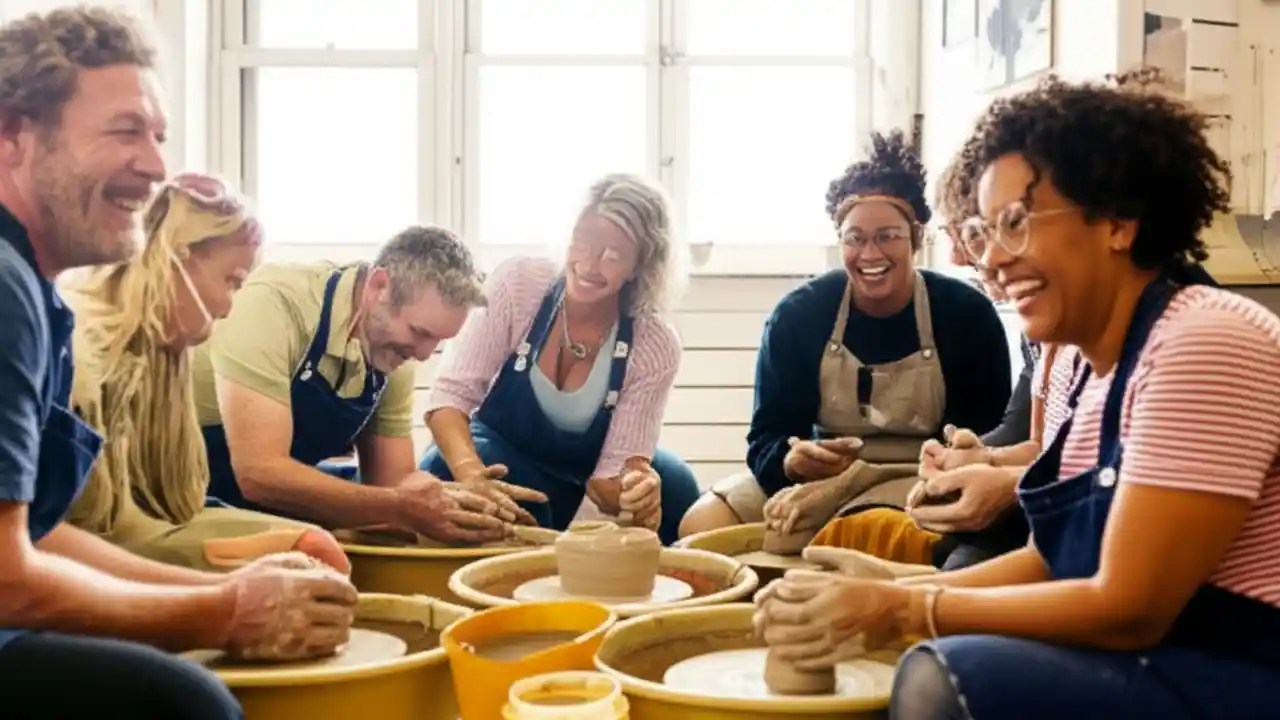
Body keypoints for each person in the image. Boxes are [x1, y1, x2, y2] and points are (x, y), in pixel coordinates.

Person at [753, 75, 1280, 719]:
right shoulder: (1098, 373)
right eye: (983, 232)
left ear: (1116, 219)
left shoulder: (1206, 341)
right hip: (1167, 649)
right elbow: (1047, 562)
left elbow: (1130, 608)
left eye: (1016, 223)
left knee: (936, 672)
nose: (993, 259)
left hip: (1240, 665)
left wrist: (905, 609)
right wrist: (900, 583)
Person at [0, 7, 356, 718]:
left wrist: (216, 593)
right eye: (124, 130)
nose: (157, 165)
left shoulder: (35, 298)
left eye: (158, 136)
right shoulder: (9, 293)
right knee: (190, 701)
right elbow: (11, 578)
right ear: (14, 138)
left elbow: (37, 535)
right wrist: (225, 613)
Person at [678, 130, 1011, 541]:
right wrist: (792, 460)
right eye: (856, 239)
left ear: (917, 238)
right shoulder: (800, 315)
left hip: (920, 477)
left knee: (863, 533)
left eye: (887, 236)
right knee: (701, 525)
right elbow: (766, 436)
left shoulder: (964, 315)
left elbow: (986, 439)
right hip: (823, 477)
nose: (870, 255)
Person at [65, 172, 348, 571]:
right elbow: (80, 538)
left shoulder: (155, 363)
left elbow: (160, 516)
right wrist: (227, 583)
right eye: (232, 282)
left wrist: (297, 538)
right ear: (173, 257)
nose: (229, 307)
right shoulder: (79, 369)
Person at [192, 226, 524, 544]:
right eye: (419, 333)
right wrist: (400, 506)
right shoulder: (274, 305)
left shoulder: (392, 355)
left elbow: (391, 482)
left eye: (437, 341)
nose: (422, 355)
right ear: (379, 285)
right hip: (183, 490)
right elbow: (260, 473)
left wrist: (457, 498)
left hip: (267, 505)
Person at [419, 174, 700, 545]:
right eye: (581, 242)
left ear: (640, 266)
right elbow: (449, 398)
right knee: (453, 470)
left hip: (582, 478)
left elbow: (610, 476)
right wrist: (471, 475)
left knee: (676, 484)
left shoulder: (654, 342)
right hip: (498, 455)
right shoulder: (517, 284)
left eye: (613, 255)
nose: (589, 264)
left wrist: (635, 493)